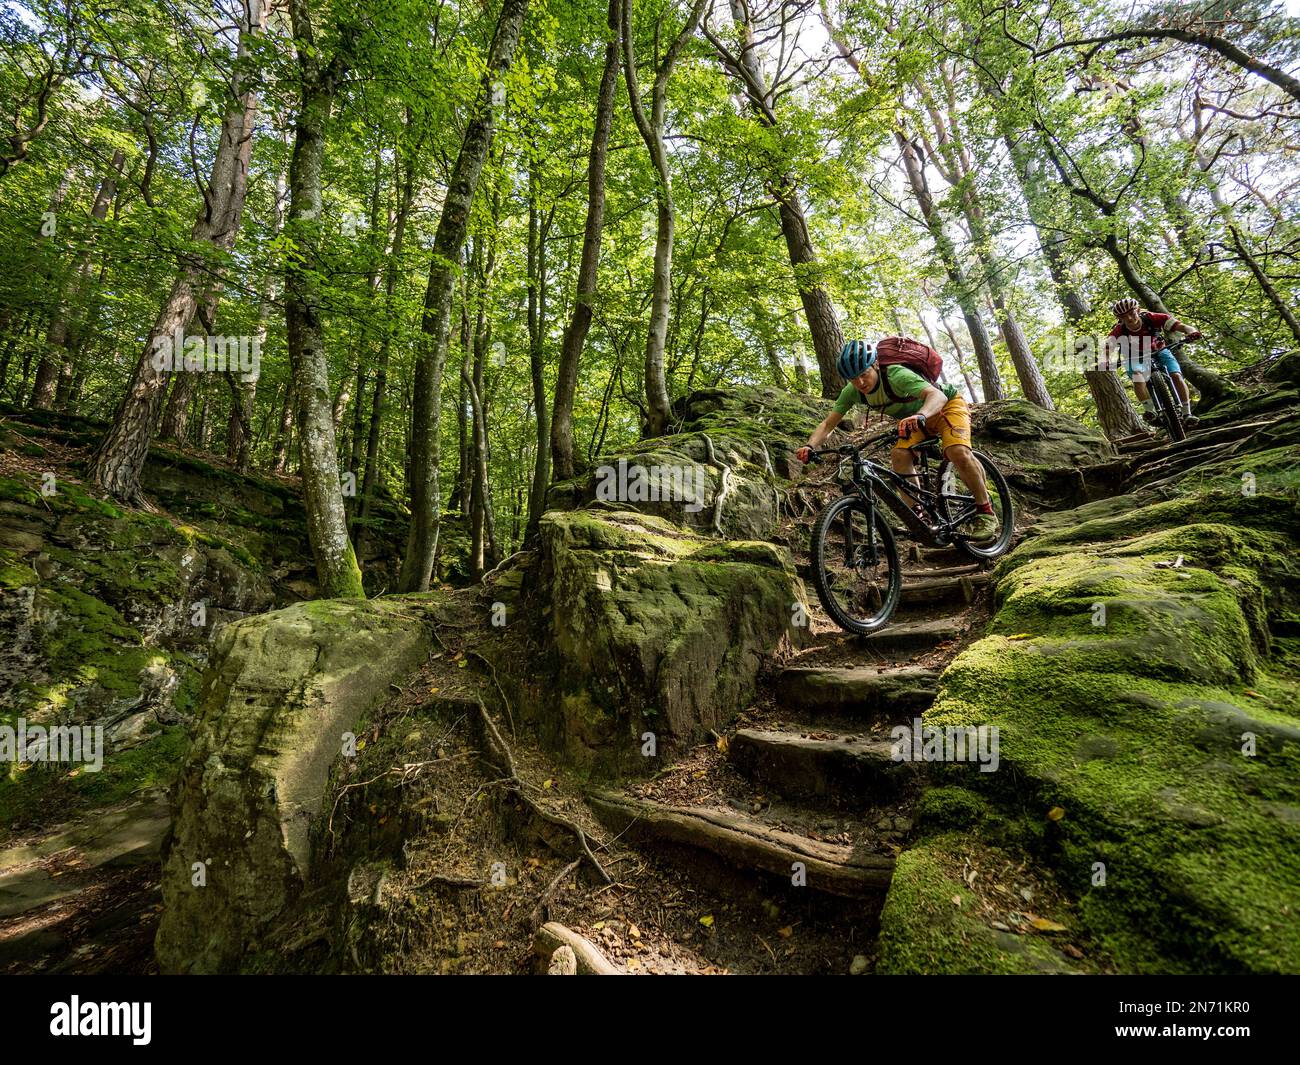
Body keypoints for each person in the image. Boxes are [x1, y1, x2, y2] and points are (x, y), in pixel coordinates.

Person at [796, 339, 1000, 542]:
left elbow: (937, 396)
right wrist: (809, 445)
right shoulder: (852, 392)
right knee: (899, 455)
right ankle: (920, 518)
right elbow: (827, 424)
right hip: (915, 421)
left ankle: (985, 511)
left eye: (864, 374)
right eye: (852, 379)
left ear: (875, 365)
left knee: (957, 451)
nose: (860, 383)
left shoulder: (896, 375)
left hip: (945, 407)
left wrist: (921, 415)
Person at [1104, 298, 1203, 426]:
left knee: (1176, 376)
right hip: (1134, 356)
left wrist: (1192, 332)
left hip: (1159, 349)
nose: (1129, 318)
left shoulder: (1151, 318)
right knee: (1138, 378)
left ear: (1138, 310)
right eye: (1124, 316)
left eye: (1131, 313)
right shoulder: (1119, 330)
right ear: (1120, 319)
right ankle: (1150, 411)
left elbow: (1182, 326)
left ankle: (1187, 413)